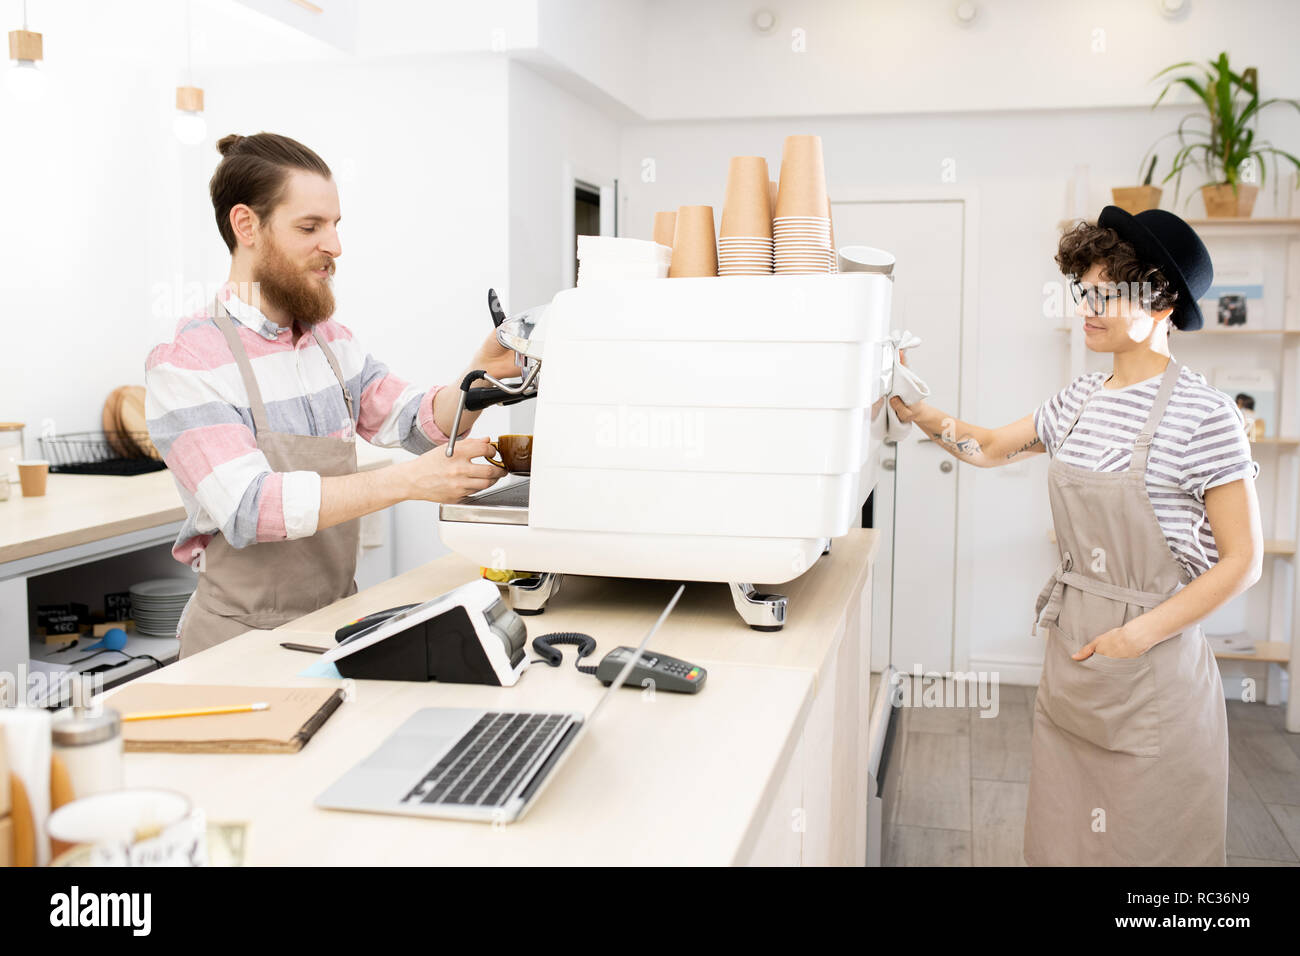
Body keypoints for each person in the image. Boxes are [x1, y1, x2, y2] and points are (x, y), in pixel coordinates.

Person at [889, 206, 1263, 865]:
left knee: (1147, 849)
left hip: (1152, 670)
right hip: (1074, 656)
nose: (1086, 308)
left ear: (1162, 302)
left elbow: (1243, 561)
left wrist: (1134, 637)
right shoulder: (1078, 400)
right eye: (1082, 291)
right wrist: (915, 409)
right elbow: (988, 447)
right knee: (1064, 839)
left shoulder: (1206, 416)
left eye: (1105, 294)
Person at [145, 132, 513, 659]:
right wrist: (407, 482)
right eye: (310, 227)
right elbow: (250, 508)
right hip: (236, 644)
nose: (335, 246)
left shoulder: (331, 342)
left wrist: (481, 378)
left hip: (334, 624)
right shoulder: (187, 359)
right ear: (246, 225)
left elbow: (415, 423)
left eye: (335, 225)